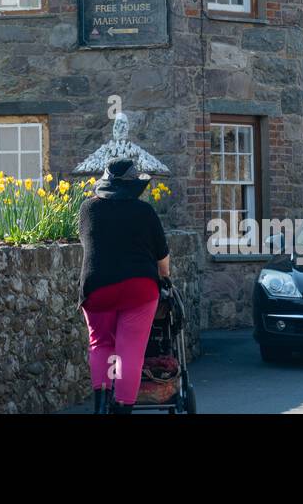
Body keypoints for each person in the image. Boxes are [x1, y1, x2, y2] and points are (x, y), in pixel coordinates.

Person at [78, 157, 170, 414]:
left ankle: (101, 404)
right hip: (138, 287)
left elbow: (90, 244)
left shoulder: (88, 209)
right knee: (129, 351)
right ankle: (122, 408)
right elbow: (162, 258)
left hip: (97, 286)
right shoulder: (145, 212)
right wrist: (165, 276)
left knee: (101, 344)